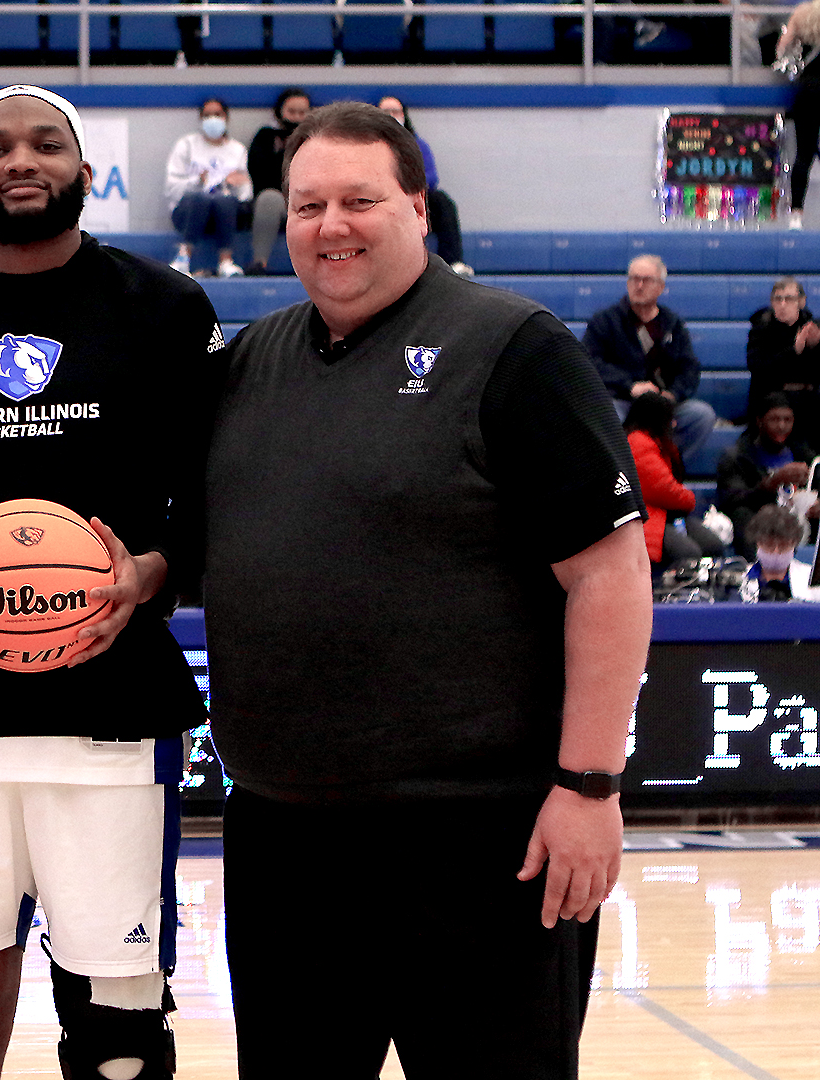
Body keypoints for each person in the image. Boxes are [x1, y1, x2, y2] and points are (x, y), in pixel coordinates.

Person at [205, 102, 651, 1078]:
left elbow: (611, 575)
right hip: (285, 842)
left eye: (360, 199)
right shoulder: (248, 364)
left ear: (418, 207)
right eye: (309, 204)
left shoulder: (514, 350)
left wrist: (588, 786)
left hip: (482, 844)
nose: (332, 225)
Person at [0, 84, 223, 1080]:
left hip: (112, 719)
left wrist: (156, 572)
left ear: (84, 170)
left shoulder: (164, 305)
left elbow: (211, 492)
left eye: (45, 143)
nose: (20, 161)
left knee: (118, 1039)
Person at [582, 253, 718, 464]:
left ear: (661, 287)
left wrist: (672, 394)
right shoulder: (605, 322)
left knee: (702, 416)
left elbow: (689, 368)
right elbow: (590, 363)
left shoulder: (672, 324)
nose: (639, 285)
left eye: (646, 280)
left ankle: (666, 468)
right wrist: (630, 385)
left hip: (662, 402)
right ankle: (626, 473)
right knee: (608, 417)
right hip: (623, 400)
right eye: (634, 279)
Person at [716, 392, 819, 559]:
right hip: (759, 520)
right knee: (741, 513)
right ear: (759, 421)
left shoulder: (805, 455)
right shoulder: (737, 456)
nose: (781, 426)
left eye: (787, 420)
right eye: (775, 419)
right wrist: (772, 483)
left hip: (801, 522)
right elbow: (731, 500)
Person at [377, 95, 472, 275]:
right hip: (383, 199)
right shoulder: (369, 147)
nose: (391, 115)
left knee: (442, 202)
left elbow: (431, 177)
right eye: (385, 112)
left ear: (404, 115)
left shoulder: (419, 145)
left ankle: (453, 264)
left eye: (395, 111)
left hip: (414, 195)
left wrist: (406, 186)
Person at [624, 391, 720, 567]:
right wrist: (689, 499)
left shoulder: (657, 443)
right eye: (670, 418)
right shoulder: (638, 443)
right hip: (645, 518)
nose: (674, 423)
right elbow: (664, 490)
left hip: (664, 515)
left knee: (713, 545)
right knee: (689, 554)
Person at [164, 97, 252, 279]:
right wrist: (196, 181)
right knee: (200, 198)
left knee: (224, 200)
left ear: (226, 118)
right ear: (200, 119)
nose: (213, 119)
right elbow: (171, 188)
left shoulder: (237, 150)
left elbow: (246, 195)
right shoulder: (187, 145)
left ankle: (225, 262)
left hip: (225, 216)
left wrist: (237, 183)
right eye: (207, 115)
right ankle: (182, 259)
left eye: (217, 115)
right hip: (189, 214)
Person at [243, 88, 308, 276]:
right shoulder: (266, 137)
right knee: (269, 199)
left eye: (302, 113)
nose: (296, 118)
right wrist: (282, 153)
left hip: (309, 199)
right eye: (292, 112)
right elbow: (260, 175)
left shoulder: (316, 139)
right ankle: (259, 263)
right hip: (278, 199)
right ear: (280, 112)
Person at [745, 275, 820, 436]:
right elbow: (757, 368)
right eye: (778, 299)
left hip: (807, 399)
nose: (783, 305)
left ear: (801, 302)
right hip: (772, 398)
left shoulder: (812, 328)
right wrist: (793, 352)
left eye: (789, 299)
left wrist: (816, 347)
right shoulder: (761, 329)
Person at [779, 0, 820, 230]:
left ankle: (796, 215)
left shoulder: (802, 13)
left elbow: (782, 47)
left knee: (803, 154)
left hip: (809, 89)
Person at [740, 504, 815, 601]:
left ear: (794, 544)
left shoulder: (811, 578)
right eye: (769, 545)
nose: (776, 551)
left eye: (783, 545)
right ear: (758, 543)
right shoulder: (740, 579)